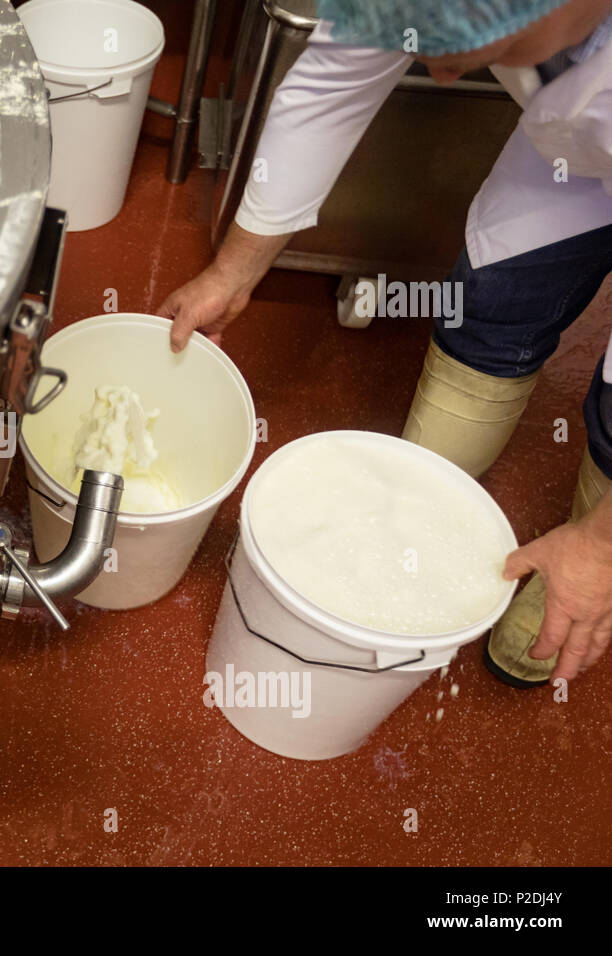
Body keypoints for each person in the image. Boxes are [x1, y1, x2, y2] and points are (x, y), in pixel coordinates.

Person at [159, 0, 612, 686]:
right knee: (490, 304)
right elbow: (330, 85)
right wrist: (234, 271)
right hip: (575, 151)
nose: (444, 74)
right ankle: (417, 520)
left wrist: (603, 550)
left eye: (467, 52)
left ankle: (583, 565)